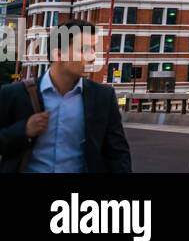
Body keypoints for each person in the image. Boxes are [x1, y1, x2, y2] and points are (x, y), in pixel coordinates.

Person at [0, 19, 132, 173]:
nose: (93, 57)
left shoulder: (103, 97)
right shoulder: (14, 94)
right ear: (58, 54)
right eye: (84, 50)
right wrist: (24, 130)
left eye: (93, 49)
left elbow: (118, 154)